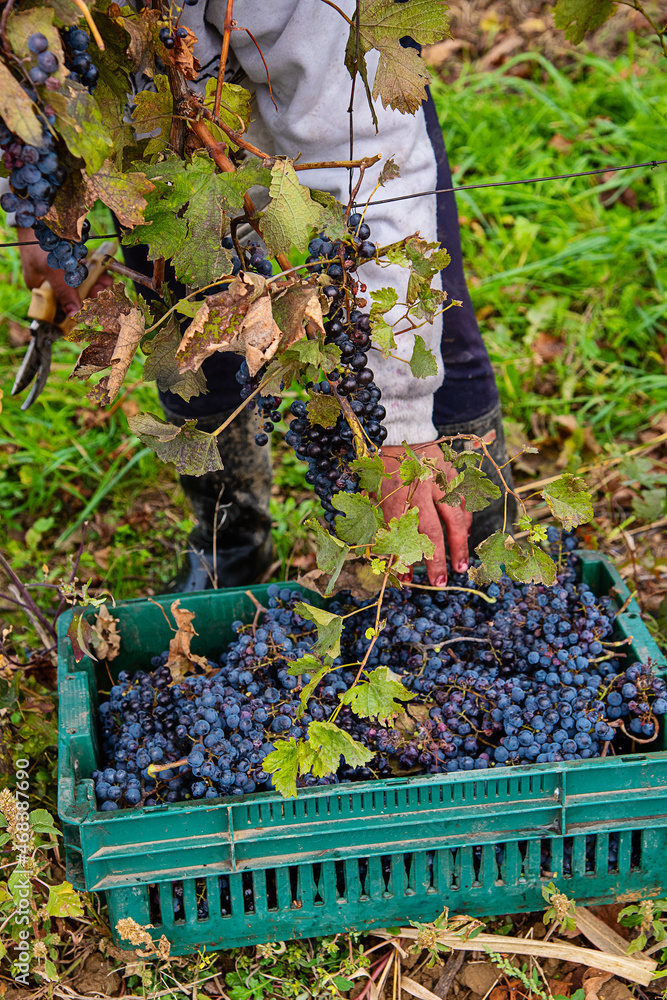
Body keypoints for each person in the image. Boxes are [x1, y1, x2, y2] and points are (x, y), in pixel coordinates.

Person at [11, 0, 515, 592]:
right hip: (163, 150)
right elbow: (27, 91)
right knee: (186, 331)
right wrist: (39, 201)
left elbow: (386, 179)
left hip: (345, 111)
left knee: (413, 311)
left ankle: (477, 548)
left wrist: (400, 427)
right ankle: (230, 544)